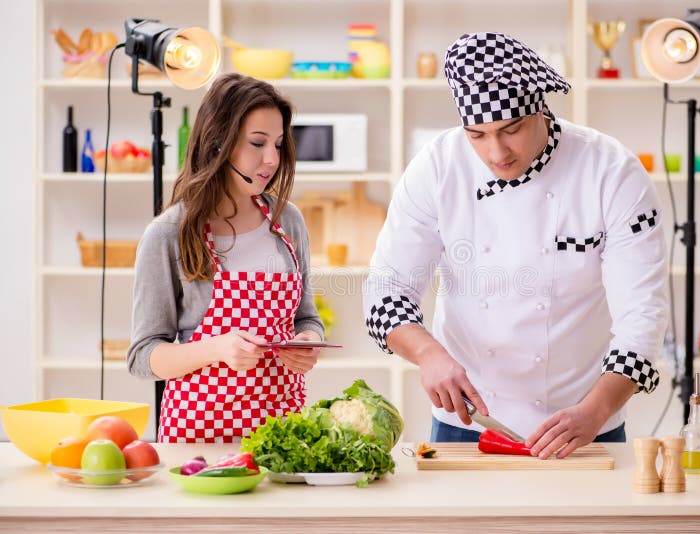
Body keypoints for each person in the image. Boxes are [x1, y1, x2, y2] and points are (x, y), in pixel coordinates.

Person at [363, 32, 668, 458]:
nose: (496, 152)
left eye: (512, 130)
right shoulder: (437, 167)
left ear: (542, 109)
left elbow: (643, 316)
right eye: (477, 135)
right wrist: (428, 353)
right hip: (468, 422)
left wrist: (597, 410)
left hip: (585, 423)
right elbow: (386, 289)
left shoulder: (610, 171)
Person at [127, 73, 325, 443]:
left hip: (281, 435)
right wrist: (218, 348)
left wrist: (308, 342)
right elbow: (142, 356)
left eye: (279, 144)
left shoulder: (288, 220)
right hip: (198, 439)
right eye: (257, 143)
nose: (271, 159)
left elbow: (307, 317)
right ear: (218, 143)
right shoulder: (169, 233)